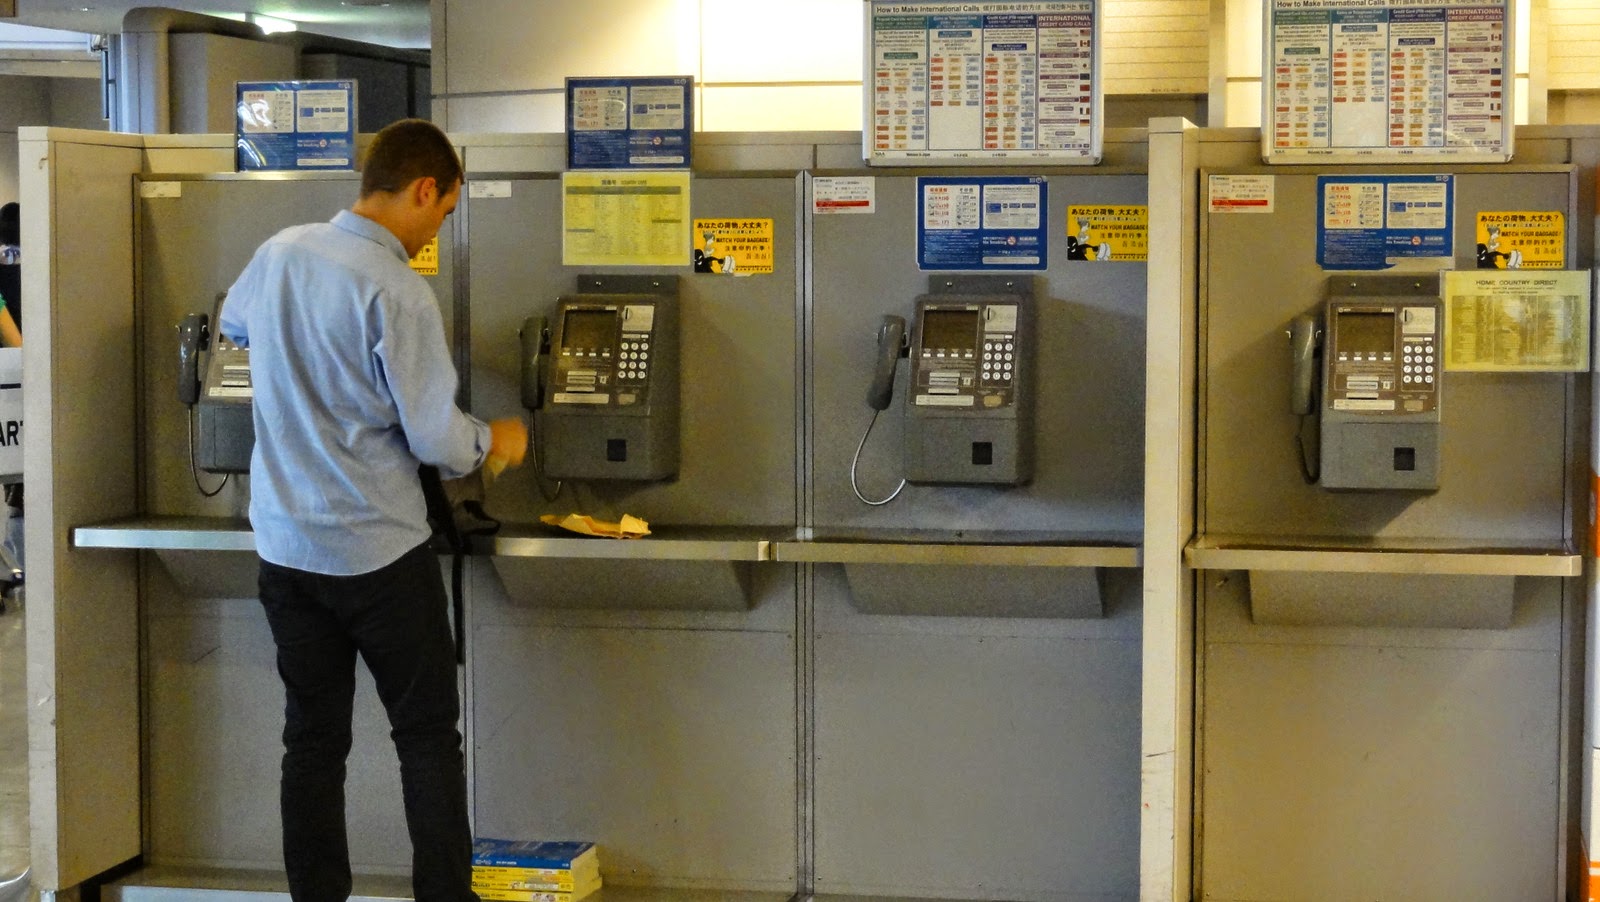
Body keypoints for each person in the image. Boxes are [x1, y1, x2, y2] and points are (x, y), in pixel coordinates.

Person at [219, 119, 527, 902]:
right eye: (446, 213)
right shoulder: (396, 290)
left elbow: (234, 329)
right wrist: (496, 440)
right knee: (425, 740)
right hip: (380, 555)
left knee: (312, 743)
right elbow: (435, 439)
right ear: (425, 189)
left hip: (287, 551)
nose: (437, 232)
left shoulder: (279, 251)